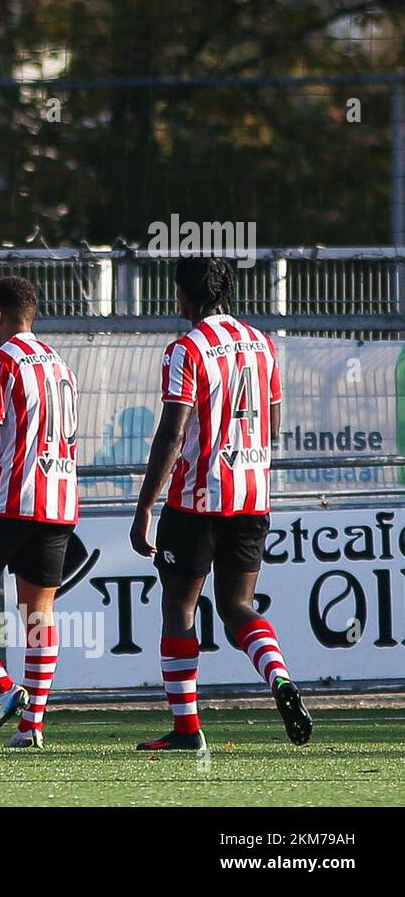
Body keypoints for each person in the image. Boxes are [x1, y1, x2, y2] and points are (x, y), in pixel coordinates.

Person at [130, 255, 313, 751]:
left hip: (196, 500)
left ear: (183, 297)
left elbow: (173, 431)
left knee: (179, 608)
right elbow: (272, 426)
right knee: (238, 604)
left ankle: (188, 729)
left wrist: (146, 505)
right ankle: (278, 676)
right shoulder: (262, 344)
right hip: (252, 494)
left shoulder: (186, 350)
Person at [0, 276, 78, 749]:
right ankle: (32, 727)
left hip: (10, 501)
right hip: (58, 503)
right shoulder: (60, 365)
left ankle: (1, 685)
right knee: (39, 615)